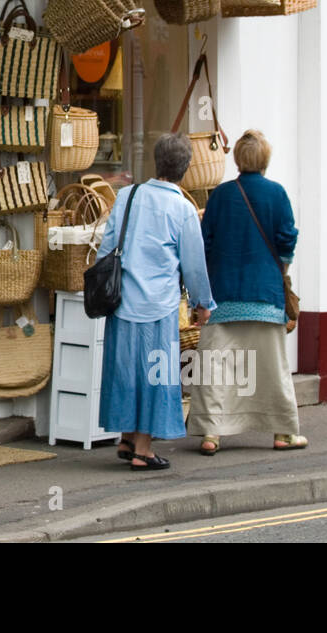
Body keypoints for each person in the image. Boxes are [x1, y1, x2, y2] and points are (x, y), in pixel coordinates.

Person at [96, 133, 216, 471]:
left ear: (156, 161)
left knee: (125, 371)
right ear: (186, 168)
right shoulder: (183, 209)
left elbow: (107, 248)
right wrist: (203, 303)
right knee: (154, 376)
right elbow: (194, 265)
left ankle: (126, 437)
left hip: (121, 301)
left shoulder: (127, 196)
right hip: (158, 306)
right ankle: (143, 451)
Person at [188, 129, 306, 455]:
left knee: (215, 367)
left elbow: (205, 243)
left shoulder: (221, 196)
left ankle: (211, 433)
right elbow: (287, 240)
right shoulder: (277, 193)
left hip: (223, 295)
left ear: (238, 158)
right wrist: (282, 267)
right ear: (265, 159)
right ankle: (283, 432)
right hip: (265, 295)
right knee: (272, 367)